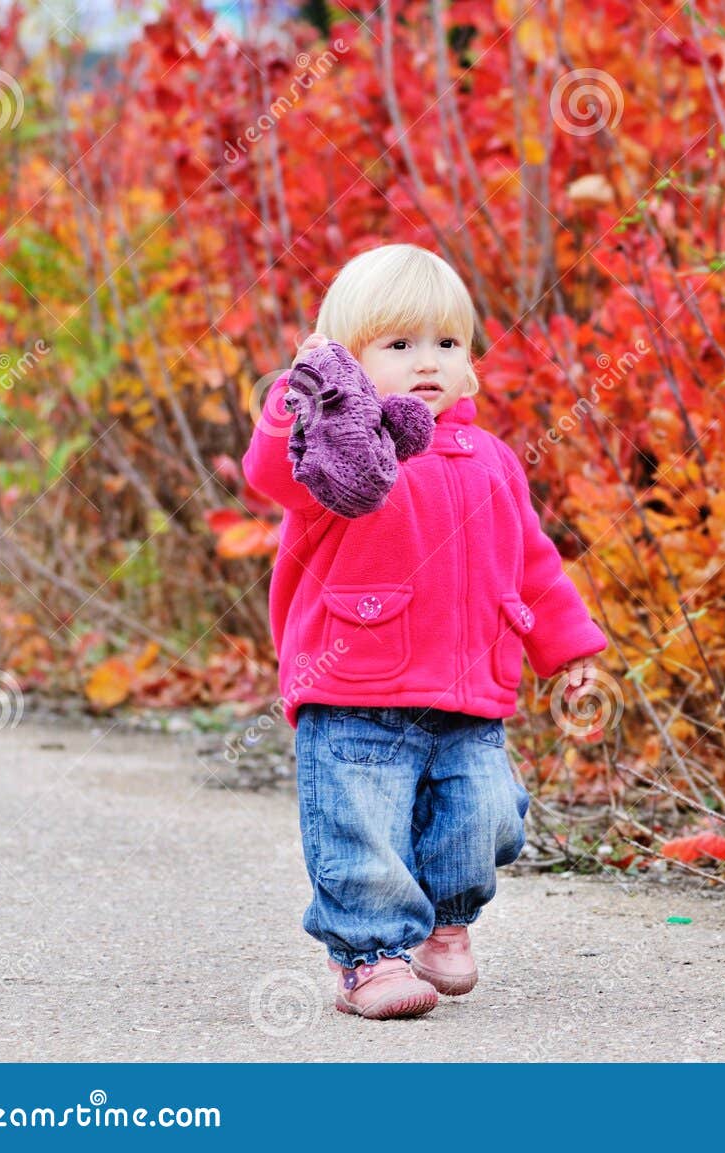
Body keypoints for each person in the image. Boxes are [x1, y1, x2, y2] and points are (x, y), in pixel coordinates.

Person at [241, 243, 608, 1020]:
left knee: (486, 816)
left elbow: (532, 562)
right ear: (347, 360)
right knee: (363, 827)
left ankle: (446, 920)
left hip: (471, 689)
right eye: (400, 344)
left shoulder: (493, 459)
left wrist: (568, 646)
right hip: (355, 684)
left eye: (447, 342)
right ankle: (369, 955)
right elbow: (271, 472)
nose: (428, 361)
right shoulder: (341, 454)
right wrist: (299, 397)